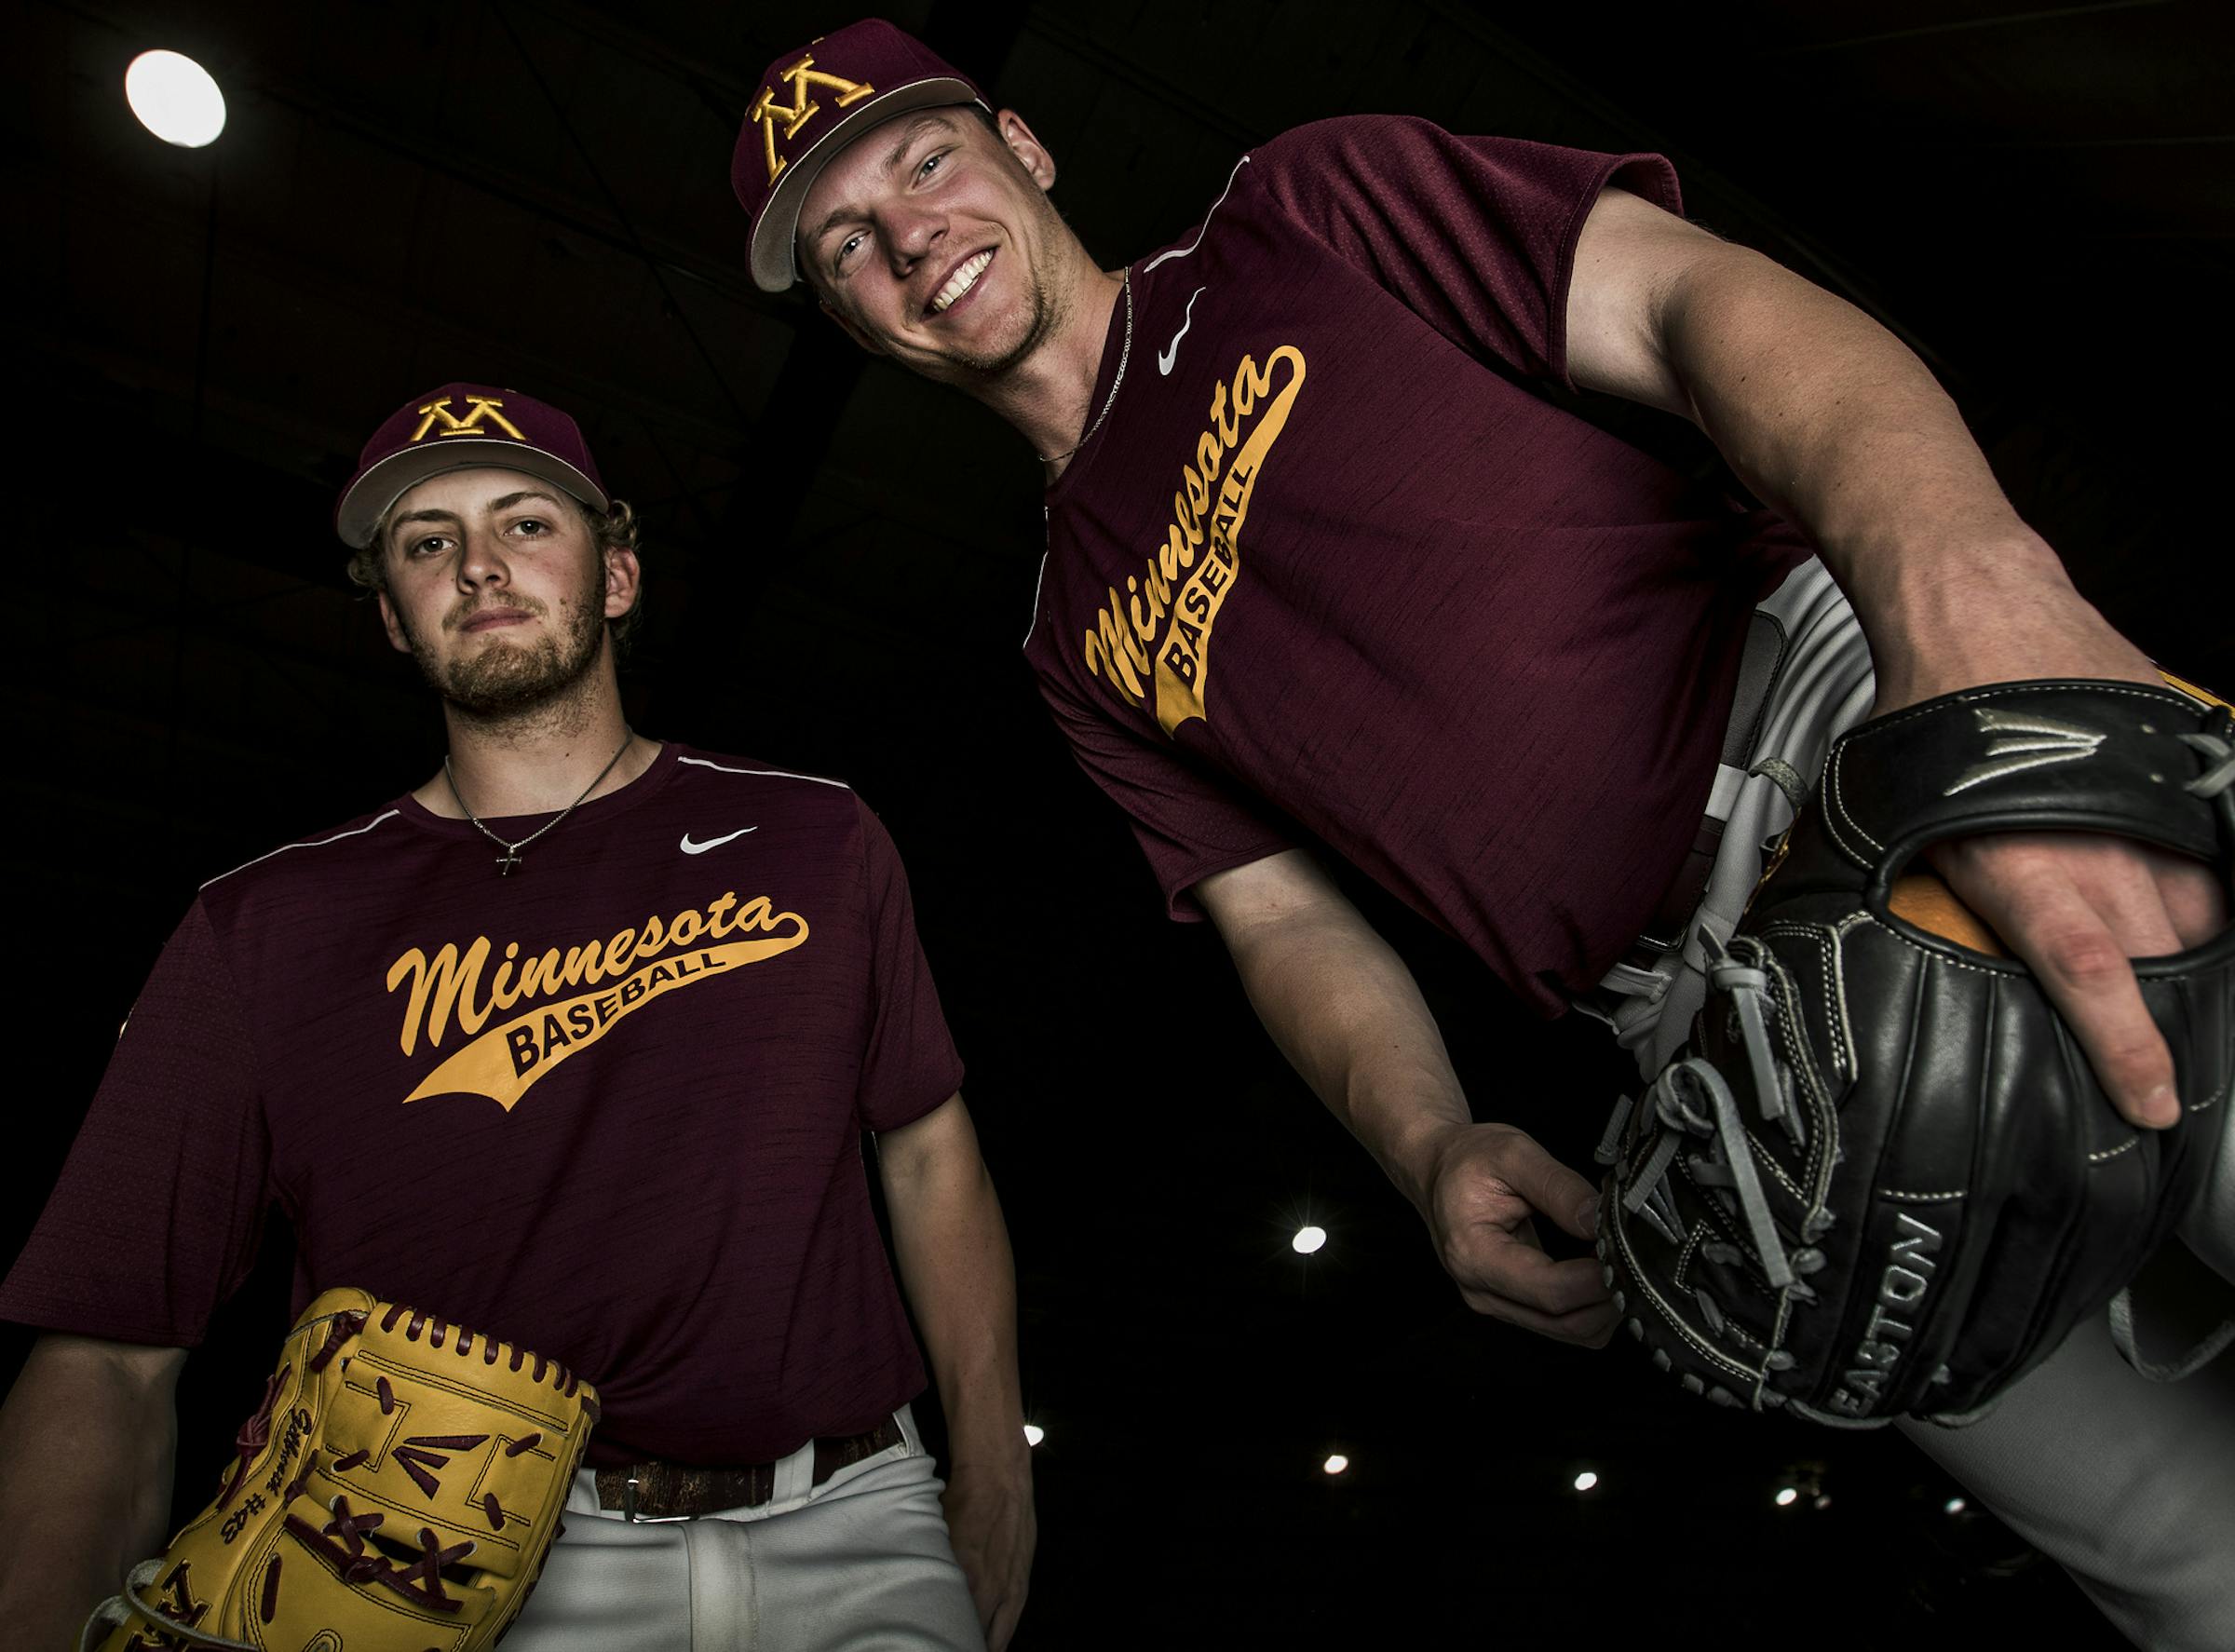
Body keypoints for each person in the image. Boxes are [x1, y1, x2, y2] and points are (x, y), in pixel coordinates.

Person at [725, 19, 2233, 1649]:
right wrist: (1427, 1140)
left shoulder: (1294, 216)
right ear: (851, 323)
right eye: (847, 246)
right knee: (2175, 1553)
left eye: (927, 162)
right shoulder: (1069, 634)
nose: (911, 237)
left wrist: (1970, 593)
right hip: (1695, 1030)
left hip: (1844, 730)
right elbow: (1284, 923)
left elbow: (1693, 300)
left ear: (1025, 146)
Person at [0, 382, 1035, 1652]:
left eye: (526, 521)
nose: (479, 563)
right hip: (472, 1570)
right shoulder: (261, 926)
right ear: (393, 614)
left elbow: (929, 1151)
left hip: (862, 1519)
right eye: (427, 542)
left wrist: (993, 1470)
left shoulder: (818, 835)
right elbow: (107, 1351)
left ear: (617, 575)